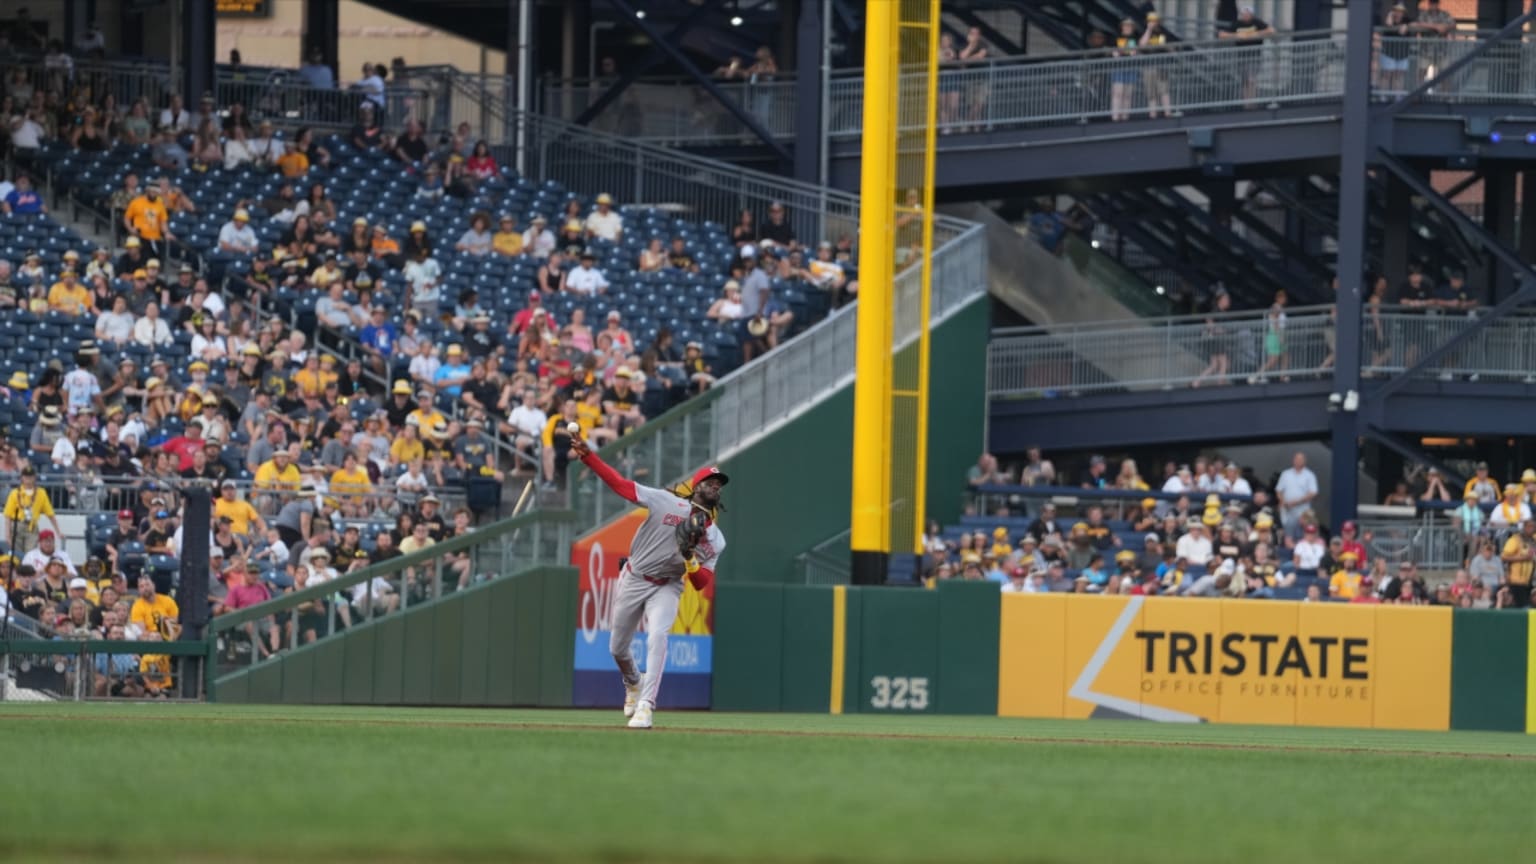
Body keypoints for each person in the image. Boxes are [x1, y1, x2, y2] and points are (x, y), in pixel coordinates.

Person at [571, 431, 727, 731]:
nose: (715, 488)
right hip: (635, 575)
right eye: (710, 482)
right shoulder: (665, 501)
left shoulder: (715, 538)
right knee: (617, 648)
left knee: (658, 637)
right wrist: (589, 456)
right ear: (696, 487)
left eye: (719, 486)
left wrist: (689, 558)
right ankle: (632, 682)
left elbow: (701, 582)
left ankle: (646, 706)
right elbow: (620, 485)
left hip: (668, 584)